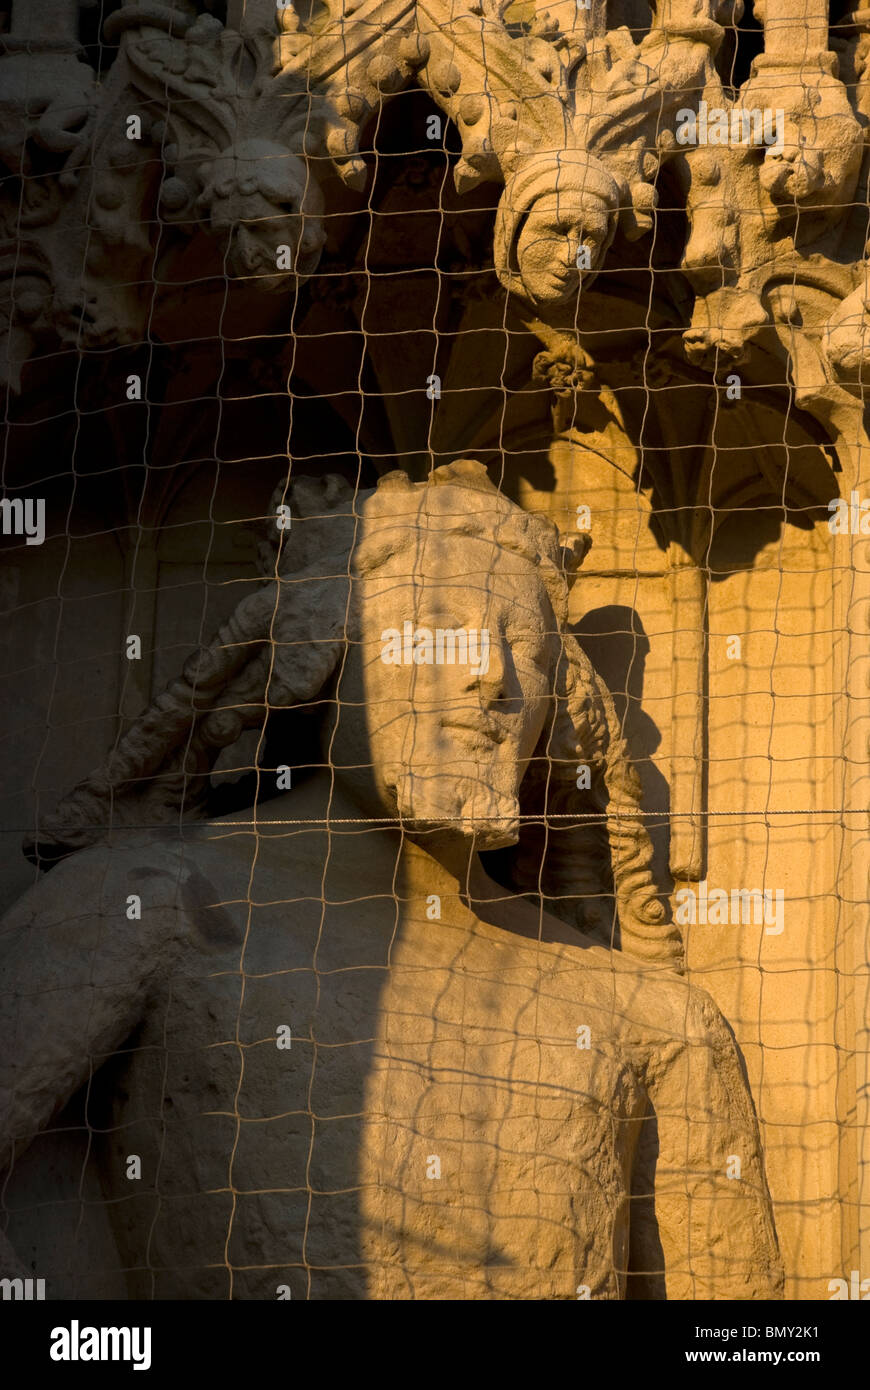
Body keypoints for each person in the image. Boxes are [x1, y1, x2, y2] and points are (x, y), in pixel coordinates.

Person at [0, 461, 782, 1299]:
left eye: (526, 646)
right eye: (436, 628)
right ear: (320, 650)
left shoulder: (650, 1017)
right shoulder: (147, 903)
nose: (491, 674)